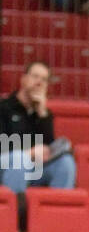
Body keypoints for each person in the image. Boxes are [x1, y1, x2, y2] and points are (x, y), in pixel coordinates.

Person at [0, 59, 76, 193]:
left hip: (33, 168)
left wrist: (42, 112)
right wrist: (30, 153)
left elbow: (48, 146)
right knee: (20, 159)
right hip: (7, 163)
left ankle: (58, 211)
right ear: (23, 79)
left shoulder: (44, 114)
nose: (39, 82)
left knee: (66, 162)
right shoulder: (4, 107)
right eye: (35, 76)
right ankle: (15, 210)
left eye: (44, 79)